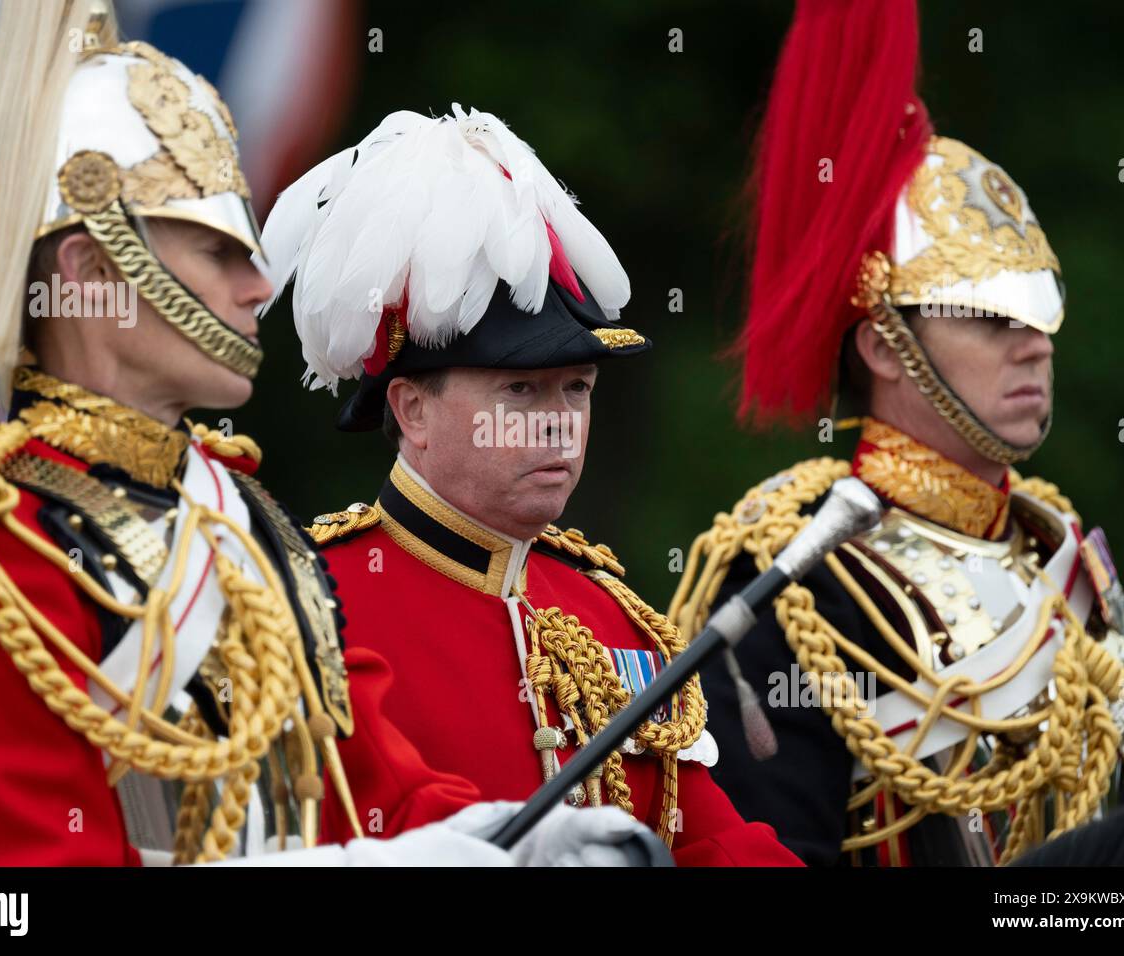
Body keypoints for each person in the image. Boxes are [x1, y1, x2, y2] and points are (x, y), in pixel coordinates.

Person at [0, 0, 645, 867]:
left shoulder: (240, 519)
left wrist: (514, 837)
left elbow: (374, 788)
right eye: (218, 253)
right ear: (92, 271)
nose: (257, 285)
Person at [668, 0, 1124, 866]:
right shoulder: (797, 584)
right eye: (988, 317)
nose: (1033, 344)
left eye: (1037, 314)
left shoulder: (1058, 555)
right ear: (883, 344)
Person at [260, 105, 802, 866]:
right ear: (411, 409)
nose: (558, 424)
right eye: (521, 392)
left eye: (576, 390)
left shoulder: (611, 613)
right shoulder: (314, 605)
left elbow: (711, 843)